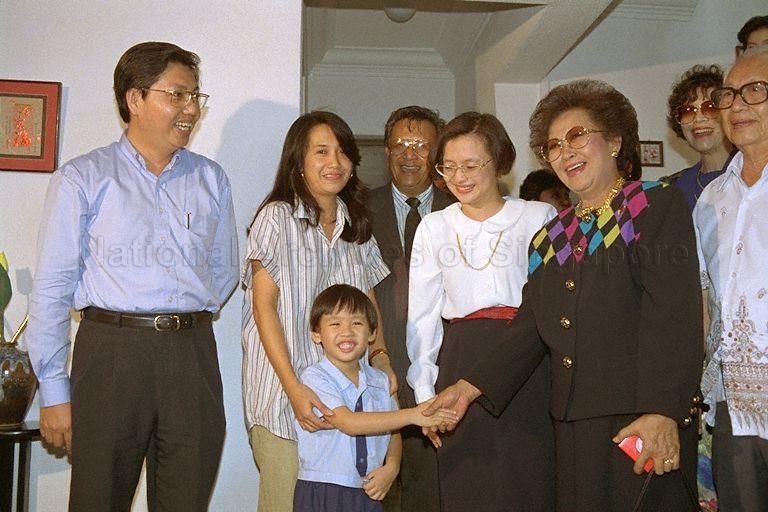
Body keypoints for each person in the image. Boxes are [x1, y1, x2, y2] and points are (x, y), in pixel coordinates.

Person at [425, 80, 704, 512]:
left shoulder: (653, 205)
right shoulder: (552, 234)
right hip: (571, 425)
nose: (565, 152)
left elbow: (673, 317)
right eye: (553, 146)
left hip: (640, 418)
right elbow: (531, 326)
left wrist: (662, 411)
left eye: (577, 136)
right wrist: (467, 387)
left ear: (614, 140)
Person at [25, 42, 238, 511]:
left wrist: (182, 310)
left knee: (186, 501)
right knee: (97, 500)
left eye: (195, 97)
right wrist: (54, 391)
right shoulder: (83, 178)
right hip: (111, 355)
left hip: (192, 355)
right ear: (134, 98)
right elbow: (53, 290)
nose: (190, 109)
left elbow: (224, 272)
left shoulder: (211, 179)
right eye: (177, 95)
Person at [242, 111, 395, 512]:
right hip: (282, 398)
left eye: (343, 152)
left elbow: (369, 308)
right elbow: (263, 308)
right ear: (298, 161)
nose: (335, 162)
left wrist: (381, 358)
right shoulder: (276, 217)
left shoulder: (357, 226)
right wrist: (295, 389)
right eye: (322, 152)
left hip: (346, 404)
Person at [407, 112, 557, 511]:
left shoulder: (538, 217)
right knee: (469, 486)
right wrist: (425, 393)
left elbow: (553, 304)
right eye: (449, 167)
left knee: (530, 482)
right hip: (461, 359)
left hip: (528, 358)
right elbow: (422, 318)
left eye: (471, 165)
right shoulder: (433, 227)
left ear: (500, 161)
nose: (459, 177)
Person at [294, 284, 457, 512]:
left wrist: (392, 467)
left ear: (372, 333)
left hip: (369, 491)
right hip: (323, 490)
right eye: (335, 323)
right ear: (316, 333)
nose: (347, 331)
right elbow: (349, 422)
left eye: (357, 323)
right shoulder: (315, 377)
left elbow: (393, 431)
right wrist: (413, 415)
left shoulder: (380, 380)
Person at [366, 105, 453, 512]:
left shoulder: (460, 208)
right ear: (386, 151)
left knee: (432, 488)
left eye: (421, 145)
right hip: (376, 365)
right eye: (400, 143)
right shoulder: (358, 209)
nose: (409, 154)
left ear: (437, 154)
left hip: (443, 366)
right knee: (374, 485)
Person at [694, 47, 768, 512]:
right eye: (728, 95)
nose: (737, 105)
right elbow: (707, 302)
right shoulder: (710, 199)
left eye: (755, 90)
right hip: (732, 407)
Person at [663, 64, 733, 210]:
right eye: (688, 111)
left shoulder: (756, 177)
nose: (698, 119)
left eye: (710, 108)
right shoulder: (671, 188)